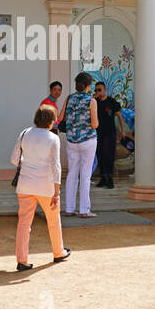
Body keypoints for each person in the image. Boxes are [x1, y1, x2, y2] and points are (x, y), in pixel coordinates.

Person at [10, 104, 71, 272]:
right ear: (51, 121)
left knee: (24, 223)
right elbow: (56, 166)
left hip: (25, 185)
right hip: (45, 185)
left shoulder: (25, 133)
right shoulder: (53, 138)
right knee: (53, 220)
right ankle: (58, 251)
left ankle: (22, 260)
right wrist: (57, 190)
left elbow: (15, 159)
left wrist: (28, 163)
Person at [61, 72, 99, 217]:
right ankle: (84, 210)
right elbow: (94, 124)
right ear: (88, 86)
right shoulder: (91, 101)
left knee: (72, 174)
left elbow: (60, 118)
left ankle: (69, 208)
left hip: (71, 140)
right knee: (85, 175)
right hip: (88, 140)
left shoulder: (69, 98)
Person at [93, 81, 122, 189]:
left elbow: (119, 116)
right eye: (96, 90)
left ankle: (110, 178)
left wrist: (122, 131)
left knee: (109, 155)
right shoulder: (94, 102)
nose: (97, 92)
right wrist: (94, 99)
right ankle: (102, 178)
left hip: (110, 133)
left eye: (99, 90)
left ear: (105, 90)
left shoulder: (111, 101)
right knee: (100, 155)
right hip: (98, 133)